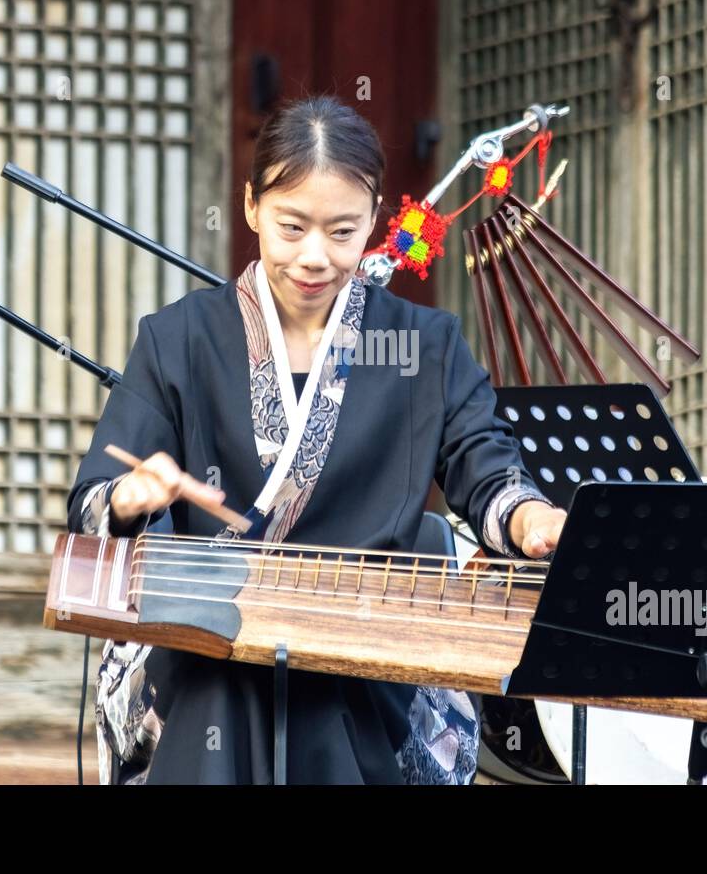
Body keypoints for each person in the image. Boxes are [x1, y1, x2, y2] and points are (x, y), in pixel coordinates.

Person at [66, 95, 567, 784]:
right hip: (197, 644)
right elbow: (92, 502)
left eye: (341, 231)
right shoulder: (178, 338)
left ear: (374, 220)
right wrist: (130, 495)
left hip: (366, 653)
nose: (315, 257)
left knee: (316, 691)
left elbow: (485, 469)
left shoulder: (422, 345)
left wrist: (529, 518)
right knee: (231, 676)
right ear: (250, 208)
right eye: (291, 226)